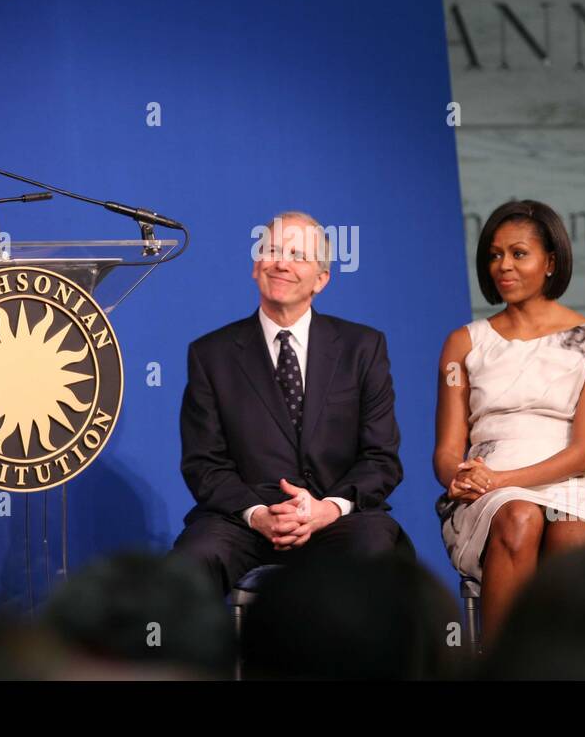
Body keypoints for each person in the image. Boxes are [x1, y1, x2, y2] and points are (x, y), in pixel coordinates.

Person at [172, 211, 410, 594]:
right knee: (193, 559)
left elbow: (381, 458)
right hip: (244, 522)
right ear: (256, 266)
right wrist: (258, 514)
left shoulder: (362, 348)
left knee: (374, 551)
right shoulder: (211, 354)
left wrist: (327, 509)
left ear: (321, 279)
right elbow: (204, 463)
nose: (282, 263)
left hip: (337, 519)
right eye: (272, 251)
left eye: (298, 255)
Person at [434, 200, 585, 644]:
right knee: (520, 516)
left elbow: (584, 455)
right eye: (494, 254)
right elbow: (447, 451)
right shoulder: (464, 342)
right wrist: (461, 477)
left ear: (551, 263)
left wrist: (501, 479)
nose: (503, 265)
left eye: (518, 253)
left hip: (568, 484)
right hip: (488, 496)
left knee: (574, 536)